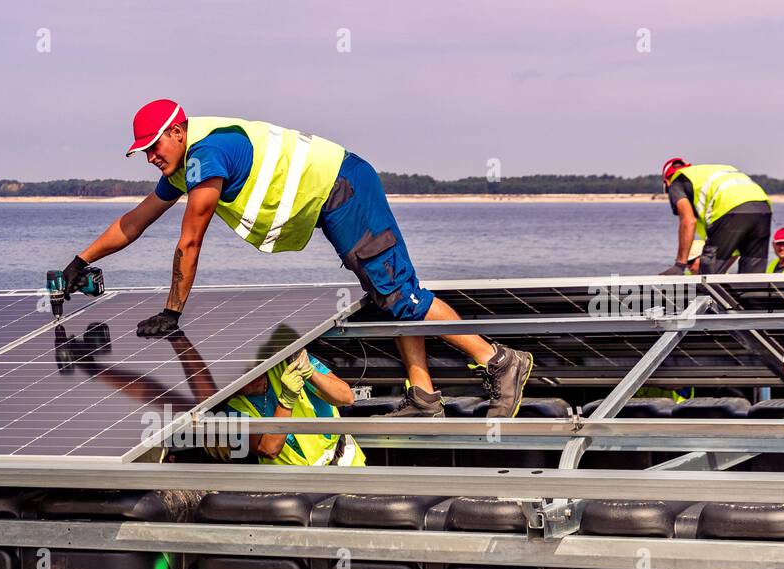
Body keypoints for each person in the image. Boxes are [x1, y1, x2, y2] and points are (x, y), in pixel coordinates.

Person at [54, 100, 533, 419]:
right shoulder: (185, 164)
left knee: (400, 295)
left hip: (342, 187)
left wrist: (173, 311)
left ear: (176, 132)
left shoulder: (208, 153)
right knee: (389, 294)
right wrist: (80, 260)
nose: (149, 158)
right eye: (142, 152)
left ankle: (499, 359)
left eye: (153, 147)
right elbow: (136, 221)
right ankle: (424, 396)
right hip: (329, 195)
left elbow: (189, 241)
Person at [219, 350, 364, 466]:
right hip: (298, 490)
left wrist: (311, 373)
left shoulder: (290, 360)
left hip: (346, 463)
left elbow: (346, 397)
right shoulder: (232, 410)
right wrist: (286, 401)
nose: (251, 375)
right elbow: (269, 449)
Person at [661, 158, 772, 274]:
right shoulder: (706, 174)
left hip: (729, 209)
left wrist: (680, 265)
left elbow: (688, 221)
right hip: (762, 208)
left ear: (667, 182)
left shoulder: (676, 182)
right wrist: (720, 270)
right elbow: (732, 249)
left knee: (707, 277)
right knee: (753, 277)